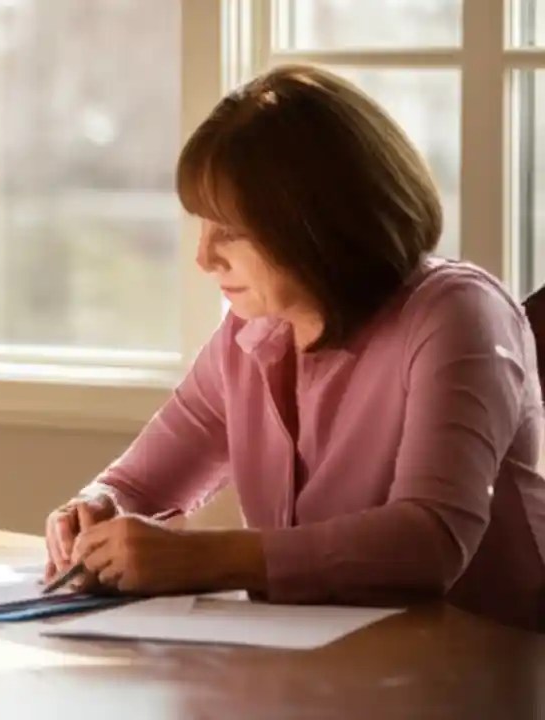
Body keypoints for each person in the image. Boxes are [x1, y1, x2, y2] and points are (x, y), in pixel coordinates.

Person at [44, 64, 545, 631]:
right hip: (322, 669)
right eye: (202, 228)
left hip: (487, 674)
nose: (204, 258)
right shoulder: (249, 333)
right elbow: (136, 486)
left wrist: (204, 559)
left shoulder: (457, 314)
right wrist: (93, 508)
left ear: (317, 223)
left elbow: (429, 540)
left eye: (229, 231)